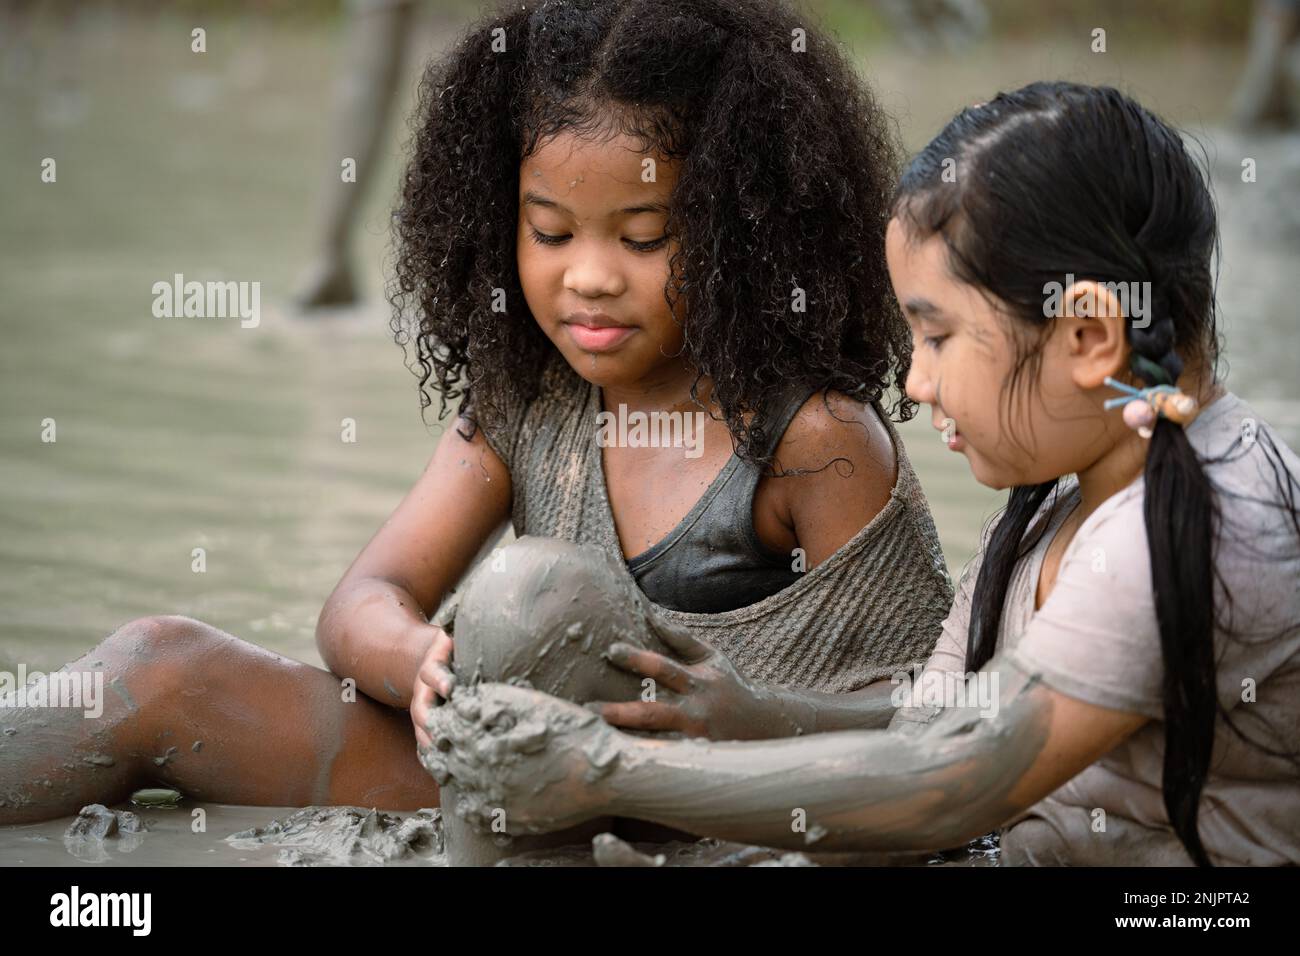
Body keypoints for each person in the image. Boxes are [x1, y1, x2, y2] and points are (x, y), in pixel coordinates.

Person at [0, 0, 954, 861]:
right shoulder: (526, 399)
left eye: (643, 237)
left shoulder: (815, 440)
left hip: (706, 818)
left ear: (749, 230)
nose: (587, 276)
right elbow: (362, 601)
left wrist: (749, 722)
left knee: (537, 594)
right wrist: (419, 660)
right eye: (550, 232)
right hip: (494, 789)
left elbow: (946, 728)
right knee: (159, 667)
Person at [424, 81, 1300, 867]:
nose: (915, 384)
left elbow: (955, 778)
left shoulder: (1198, 523)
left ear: (1090, 338)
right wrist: (753, 715)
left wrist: (606, 772)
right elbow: (933, 719)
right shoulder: (1062, 501)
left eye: (940, 337)